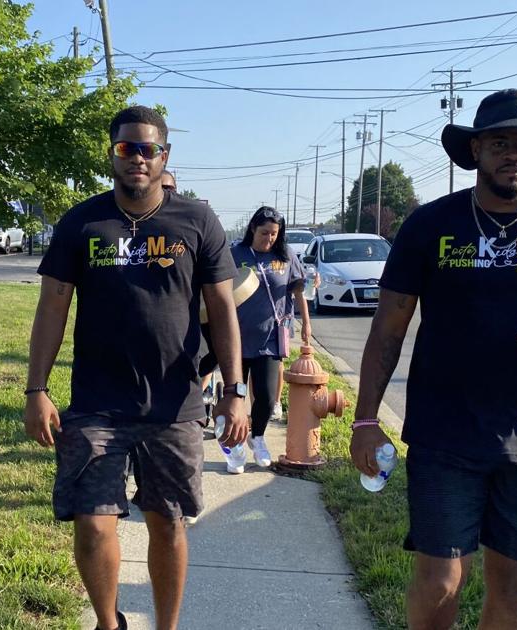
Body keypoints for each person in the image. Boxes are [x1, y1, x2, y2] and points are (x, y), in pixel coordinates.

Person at [348, 89, 517, 630]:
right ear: (476, 149)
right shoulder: (430, 226)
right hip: (445, 432)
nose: (513, 153)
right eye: (500, 141)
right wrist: (364, 419)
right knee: (440, 580)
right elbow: (388, 329)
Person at [24, 105, 249, 630]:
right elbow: (52, 306)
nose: (138, 159)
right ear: (113, 154)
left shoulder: (196, 220)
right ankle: (109, 623)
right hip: (97, 402)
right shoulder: (83, 221)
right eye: (128, 149)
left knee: (167, 522)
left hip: (174, 404)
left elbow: (222, 310)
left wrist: (236, 389)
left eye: (149, 150)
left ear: (164, 156)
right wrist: (36, 388)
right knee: (91, 522)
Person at [229, 206, 310, 472]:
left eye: (275, 234)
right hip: (237, 337)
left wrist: (306, 324)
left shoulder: (285, 255)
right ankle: (236, 446)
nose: (270, 238)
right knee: (236, 396)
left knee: (265, 396)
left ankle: (258, 437)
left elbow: (298, 291)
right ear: (253, 228)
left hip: (271, 337)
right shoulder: (235, 254)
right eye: (265, 232)